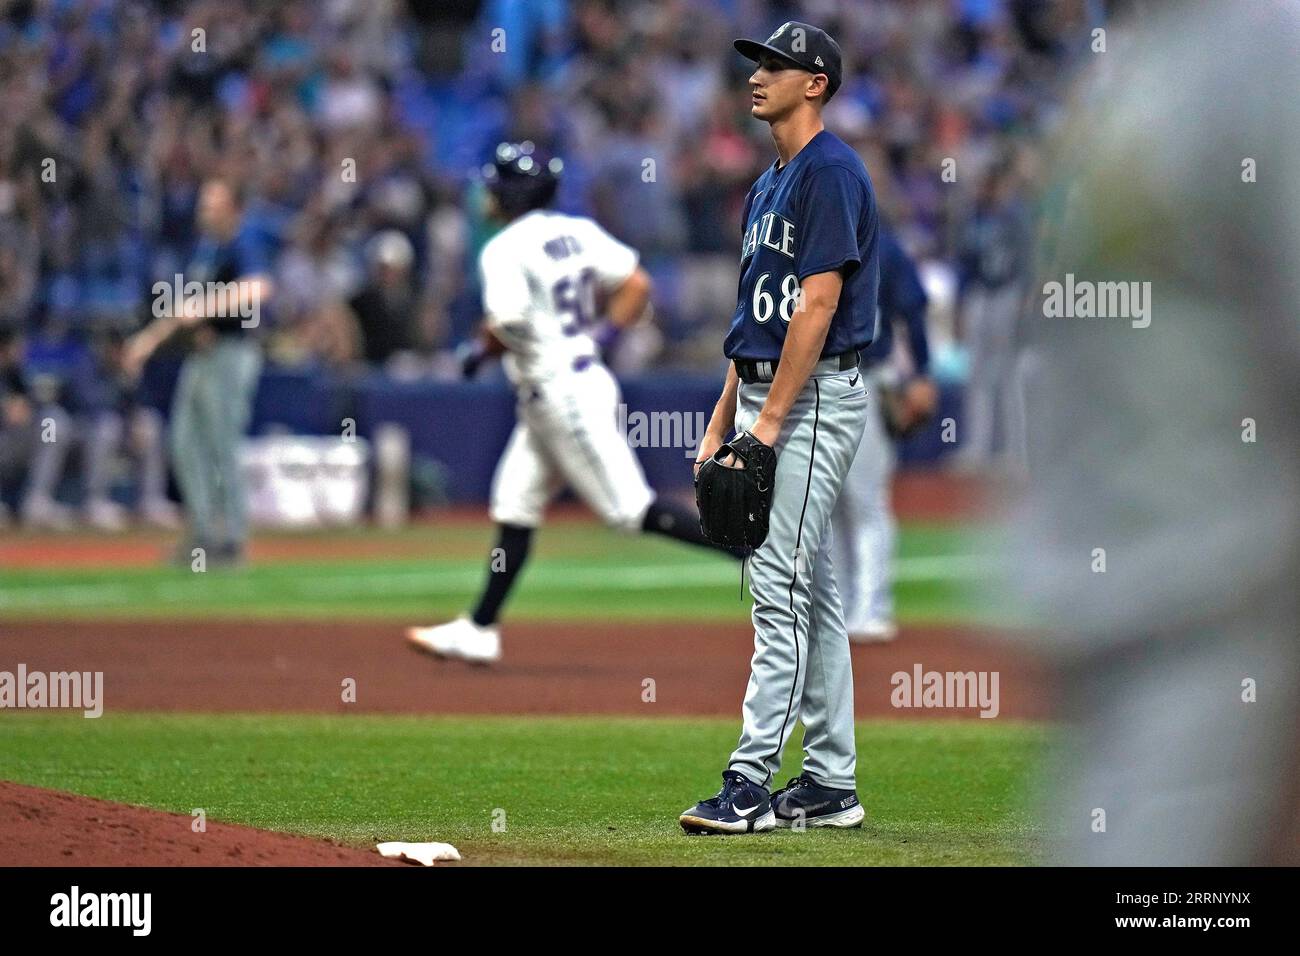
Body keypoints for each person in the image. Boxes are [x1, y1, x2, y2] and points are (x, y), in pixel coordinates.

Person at [404, 141, 736, 665]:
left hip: (562, 393)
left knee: (631, 510)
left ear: (509, 192)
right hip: (562, 388)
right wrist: (600, 338)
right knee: (515, 505)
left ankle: (757, 554)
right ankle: (480, 627)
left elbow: (508, 325)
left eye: (494, 185)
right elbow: (637, 282)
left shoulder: (503, 247)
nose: (486, 192)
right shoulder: (575, 230)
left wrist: (474, 351)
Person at [678, 22, 878, 835]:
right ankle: (831, 784)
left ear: (817, 83)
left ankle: (751, 779)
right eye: (756, 63)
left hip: (815, 396)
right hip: (770, 391)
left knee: (776, 584)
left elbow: (818, 305)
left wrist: (766, 424)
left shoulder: (831, 173)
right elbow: (751, 318)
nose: (758, 75)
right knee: (815, 594)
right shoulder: (770, 182)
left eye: (777, 64)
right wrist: (721, 418)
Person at [124, 178, 271, 564]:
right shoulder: (205, 250)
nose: (203, 210)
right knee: (185, 442)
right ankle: (204, 533)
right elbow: (186, 306)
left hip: (231, 354)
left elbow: (257, 289)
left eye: (213, 204)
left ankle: (233, 540)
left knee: (222, 444)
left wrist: (206, 309)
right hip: (201, 356)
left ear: (233, 209)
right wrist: (148, 341)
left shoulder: (243, 243)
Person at [832, 228, 936, 642]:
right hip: (817, 381)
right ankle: (840, 610)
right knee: (829, 505)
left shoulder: (884, 248)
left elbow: (912, 313)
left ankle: (874, 608)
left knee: (865, 499)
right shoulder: (811, 240)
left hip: (869, 379)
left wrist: (923, 373)